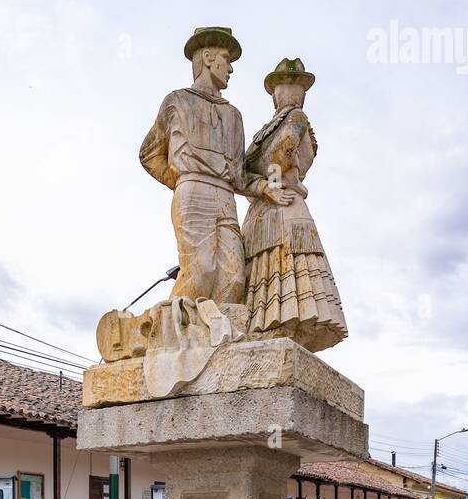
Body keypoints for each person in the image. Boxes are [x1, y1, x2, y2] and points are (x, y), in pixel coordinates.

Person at [139, 27, 273, 304]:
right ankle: (170, 334)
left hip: (225, 197)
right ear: (209, 57)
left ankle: (223, 343)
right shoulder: (177, 101)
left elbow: (239, 175)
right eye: (227, 58)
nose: (231, 69)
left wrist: (265, 187)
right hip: (193, 192)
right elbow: (149, 153)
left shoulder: (233, 115)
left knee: (234, 279)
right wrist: (182, 180)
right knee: (201, 273)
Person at [241, 58, 347, 350]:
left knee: (290, 270)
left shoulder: (297, 120)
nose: (290, 91)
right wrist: (265, 185)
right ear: (274, 92)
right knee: (264, 269)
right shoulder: (268, 129)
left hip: (284, 203)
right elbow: (247, 168)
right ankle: (266, 329)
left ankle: (285, 329)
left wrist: (270, 181)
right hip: (266, 206)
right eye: (284, 85)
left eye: (295, 86)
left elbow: (281, 154)